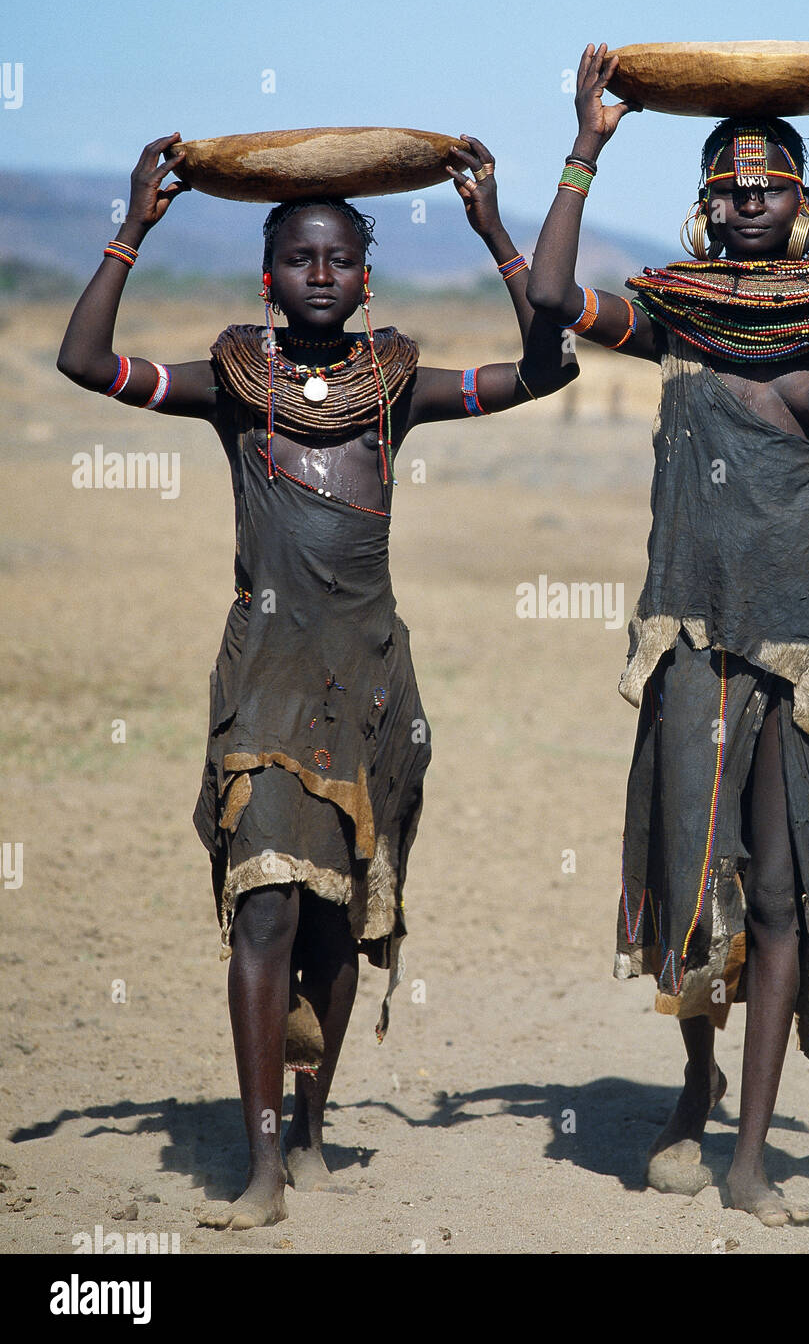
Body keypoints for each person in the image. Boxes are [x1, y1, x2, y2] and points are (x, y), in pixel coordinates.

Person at [57, 132, 575, 1229]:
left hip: (371, 683)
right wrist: (133, 229)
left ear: (367, 274)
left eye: (341, 257)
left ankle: (310, 1126)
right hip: (265, 675)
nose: (322, 273)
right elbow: (87, 364)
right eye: (300, 257)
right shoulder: (233, 384)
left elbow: (545, 371)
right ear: (268, 276)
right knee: (264, 907)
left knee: (335, 922)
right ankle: (260, 1167)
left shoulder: (397, 387)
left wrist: (492, 231)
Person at [527, 45, 809, 1226]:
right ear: (701, 204)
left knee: (780, 894)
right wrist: (584, 149)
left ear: (801, 200)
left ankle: (747, 1156)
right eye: (725, 188)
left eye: (765, 185)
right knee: (696, 876)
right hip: (694, 630)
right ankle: (695, 1081)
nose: (743, 201)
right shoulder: (670, 310)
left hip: (804, 634)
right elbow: (548, 297)